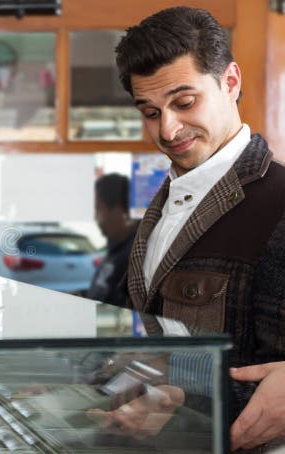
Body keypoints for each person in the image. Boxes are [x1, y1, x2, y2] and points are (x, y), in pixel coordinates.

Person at [114, 6, 285, 451]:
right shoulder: (165, 203)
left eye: (184, 103)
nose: (168, 129)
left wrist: (176, 403)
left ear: (230, 82)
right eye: (150, 111)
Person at [86, 173, 137, 308]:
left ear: (117, 211)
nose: (97, 219)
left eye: (99, 210)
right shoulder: (117, 250)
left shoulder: (134, 258)